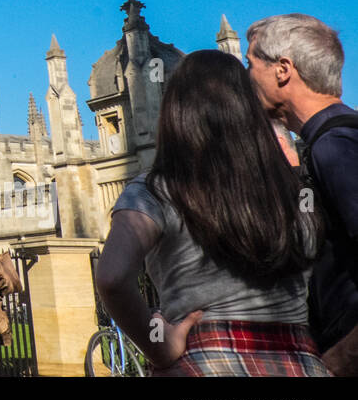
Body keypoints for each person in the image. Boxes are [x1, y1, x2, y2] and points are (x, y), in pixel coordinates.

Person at [96, 49, 328, 376]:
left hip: (206, 361)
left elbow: (112, 277)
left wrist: (159, 345)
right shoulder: (295, 193)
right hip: (298, 363)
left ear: (175, 114)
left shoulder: (157, 190)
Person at [246, 14, 358, 375]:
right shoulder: (328, 141)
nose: (246, 78)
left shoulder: (336, 147)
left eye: (250, 64)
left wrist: (342, 359)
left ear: (283, 70)